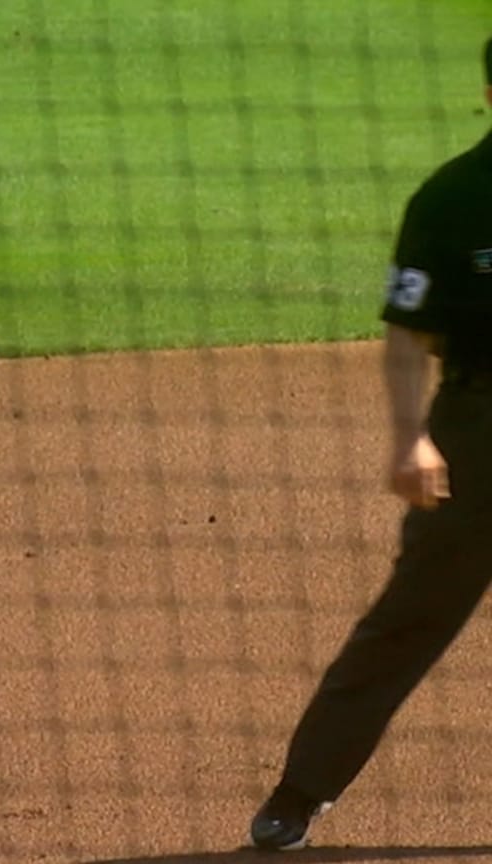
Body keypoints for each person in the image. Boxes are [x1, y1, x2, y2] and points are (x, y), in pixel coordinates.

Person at [249, 35, 492, 851]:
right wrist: (410, 438)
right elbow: (407, 335)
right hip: (478, 434)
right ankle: (301, 791)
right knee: (410, 620)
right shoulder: (452, 201)